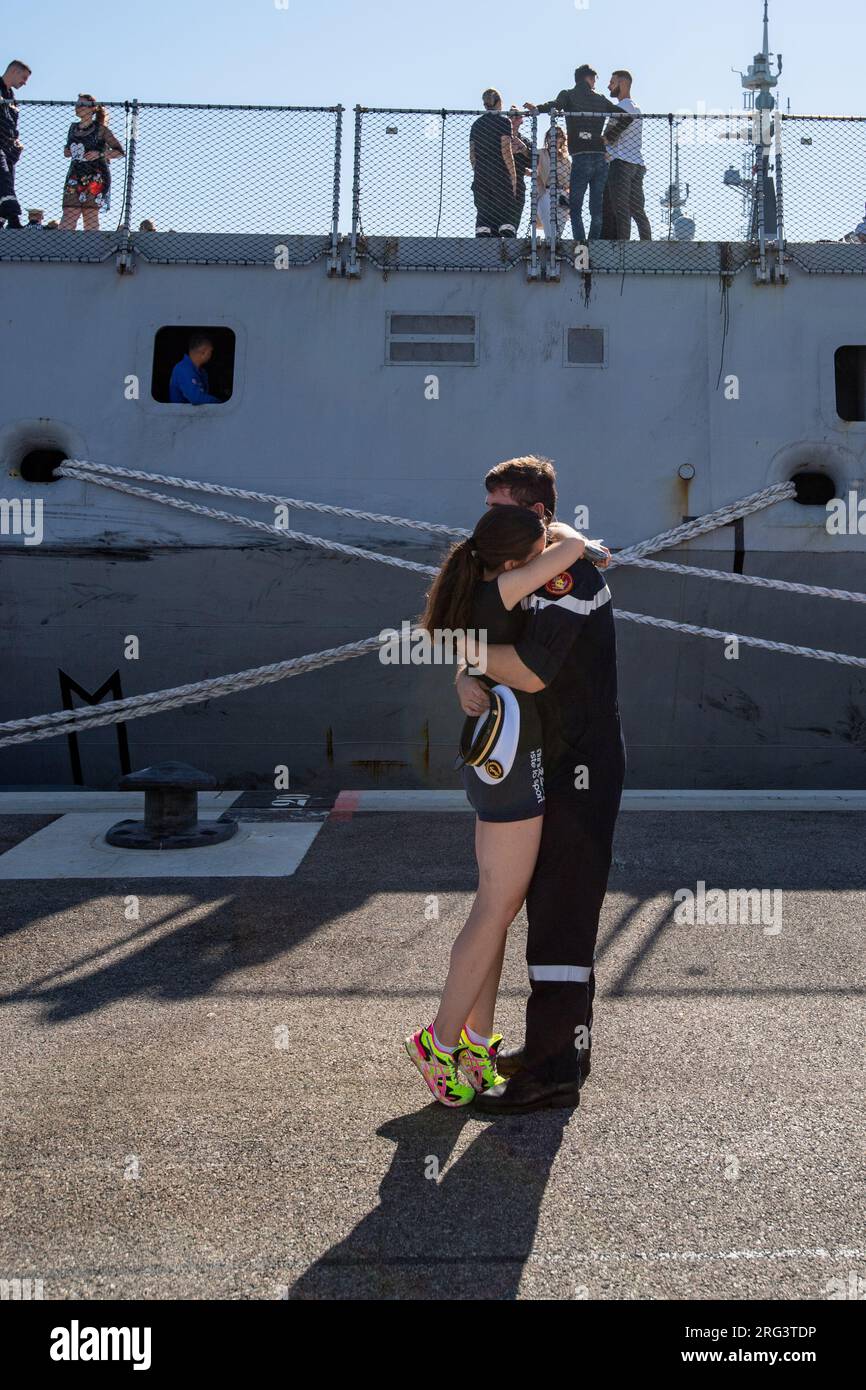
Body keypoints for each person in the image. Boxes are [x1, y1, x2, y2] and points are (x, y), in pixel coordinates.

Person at [455, 456, 625, 1115]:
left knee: (563, 913)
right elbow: (482, 639)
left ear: (534, 514)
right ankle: (554, 1048)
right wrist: (465, 676)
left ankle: (554, 1071)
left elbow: (530, 669)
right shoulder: (523, 569)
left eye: (499, 511)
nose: (486, 525)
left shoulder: (568, 577)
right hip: (542, 762)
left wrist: (474, 659)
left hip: (581, 767)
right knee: (537, 905)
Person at [405, 505, 592, 1107]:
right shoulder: (508, 585)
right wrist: (564, 538)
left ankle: (477, 1045)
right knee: (495, 908)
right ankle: (438, 1041)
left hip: (498, 749)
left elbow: (552, 550)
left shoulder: (481, 585)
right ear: (514, 562)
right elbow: (573, 545)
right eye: (533, 551)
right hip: (513, 756)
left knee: (496, 906)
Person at [525, 64, 626, 243]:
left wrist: (537, 109)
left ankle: (581, 244)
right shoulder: (601, 99)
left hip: (580, 157)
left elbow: (554, 106)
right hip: (600, 157)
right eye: (594, 78)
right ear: (589, 78)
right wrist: (609, 136)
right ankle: (592, 243)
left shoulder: (569, 94)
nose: (595, 82)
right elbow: (626, 116)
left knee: (576, 207)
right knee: (596, 208)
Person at [60, 95, 124, 231]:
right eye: (76, 104)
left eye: (82, 104)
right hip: (75, 174)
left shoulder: (101, 130)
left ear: (92, 109)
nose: (77, 108)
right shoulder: (73, 128)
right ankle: (61, 248)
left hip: (96, 175)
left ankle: (91, 250)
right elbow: (69, 147)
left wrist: (100, 154)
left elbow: (120, 152)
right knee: (69, 212)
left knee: (90, 214)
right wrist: (67, 151)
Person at [605, 70, 652, 241]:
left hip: (620, 163)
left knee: (621, 209)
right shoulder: (636, 107)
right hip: (637, 164)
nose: (609, 86)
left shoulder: (620, 108)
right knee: (638, 209)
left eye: (612, 82)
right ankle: (646, 244)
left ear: (622, 83)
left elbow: (608, 137)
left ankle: (623, 249)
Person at [469, 88, 517, 237]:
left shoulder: (476, 124)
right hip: (499, 170)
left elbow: (472, 155)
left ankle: (483, 238)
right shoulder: (503, 121)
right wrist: (513, 175)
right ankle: (506, 235)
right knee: (504, 211)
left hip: (481, 171)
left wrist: (478, 170)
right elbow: (505, 150)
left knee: (483, 211)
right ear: (499, 102)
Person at [0, 59, 31, 230]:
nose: (25, 83)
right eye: (24, 77)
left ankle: (4, 221)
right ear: (14, 71)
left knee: (8, 183)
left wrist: (16, 141)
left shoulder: (11, 97)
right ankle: (13, 219)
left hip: (9, 147)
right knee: (3, 179)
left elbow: (12, 123)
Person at [536, 126, 570, 241]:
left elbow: (569, 181)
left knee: (558, 231)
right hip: (546, 191)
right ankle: (550, 248)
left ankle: (553, 252)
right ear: (547, 139)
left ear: (562, 139)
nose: (554, 139)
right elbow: (532, 167)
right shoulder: (540, 153)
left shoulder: (566, 160)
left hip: (562, 195)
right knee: (549, 228)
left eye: (558, 136)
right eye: (551, 136)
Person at [169, 334, 221, 405]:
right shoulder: (183, 369)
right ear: (203, 352)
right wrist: (221, 403)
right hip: (181, 415)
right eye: (211, 351)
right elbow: (196, 398)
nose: (211, 354)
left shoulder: (202, 372)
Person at [507, 106, 532, 234]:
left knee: (513, 222)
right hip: (501, 181)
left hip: (519, 183)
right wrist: (507, 149)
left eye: (517, 116)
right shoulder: (500, 138)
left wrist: (523, 150)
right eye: (511, 116)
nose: (513, 119)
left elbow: (535, 162)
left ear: (521, 120)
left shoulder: (525, 141)